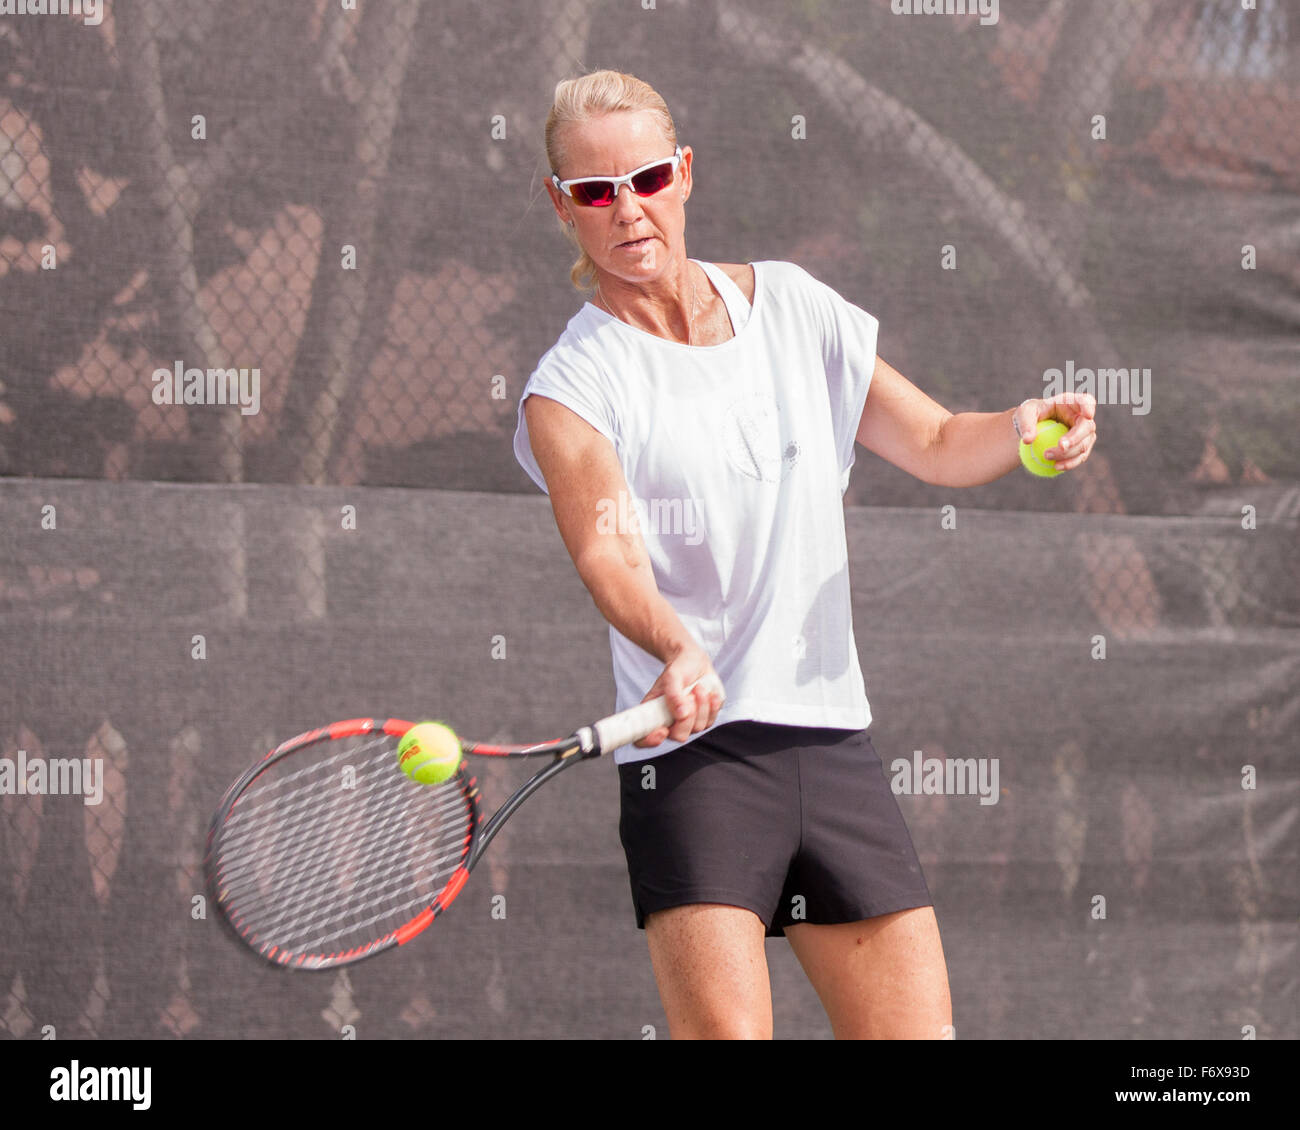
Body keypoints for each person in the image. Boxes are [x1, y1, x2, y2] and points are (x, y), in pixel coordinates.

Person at [513, 69, 1097, 1039]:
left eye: (647, 179)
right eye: (595, 191)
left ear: (685, 173)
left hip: (831, 745)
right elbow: (608, 554)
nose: (628, 210)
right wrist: (675, 643)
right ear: (561, 205)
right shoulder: (572, 385)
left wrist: (1022, 425)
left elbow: (943, 440)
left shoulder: (794, 310)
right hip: (691, 762)